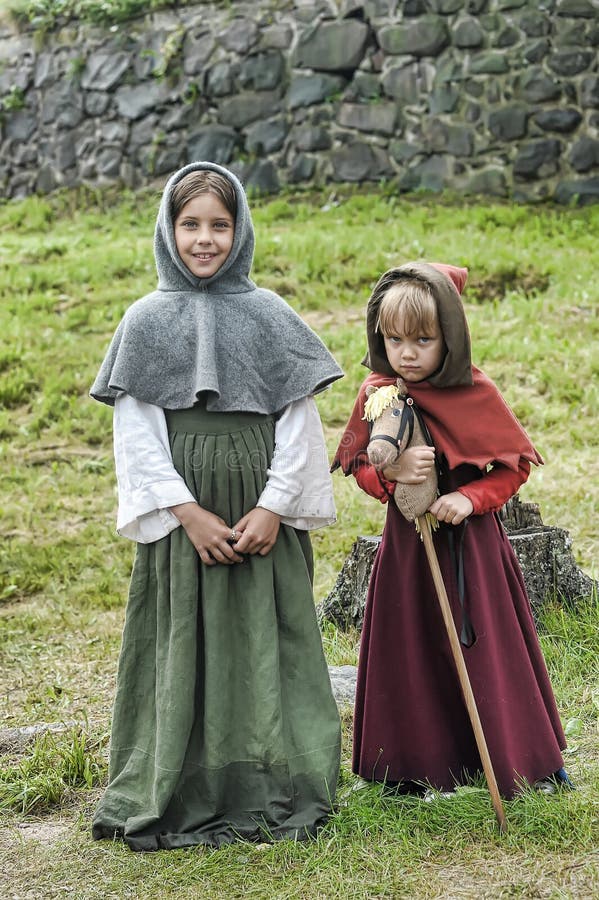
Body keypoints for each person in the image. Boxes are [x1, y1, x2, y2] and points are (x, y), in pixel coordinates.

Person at [90, 161, 343, 851]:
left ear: (241, 231)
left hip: (258, 513)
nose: (205, 239)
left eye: (219, 225)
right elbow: (136, 436)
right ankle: (178, 779)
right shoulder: (144, 321)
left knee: (270, 645)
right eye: (190, 224)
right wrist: (185, 512)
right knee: (183, 646)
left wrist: (271, 508)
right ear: (169, 232)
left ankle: (272, 783)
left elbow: (298, 425)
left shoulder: (270, 315)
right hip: (187, 523)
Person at [332, 261, 571, 799]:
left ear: (452, 338)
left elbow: (513, 468)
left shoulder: (474, 392)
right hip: (408, 551)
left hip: (473, 553)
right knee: (411, 646)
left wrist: (469, 496)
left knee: (487, 648)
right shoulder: (378, 394)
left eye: (423, 339)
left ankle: (522, 759)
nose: (407, 353)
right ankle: (415, 766)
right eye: (394, 339)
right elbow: (358, 466)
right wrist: (390, 475)